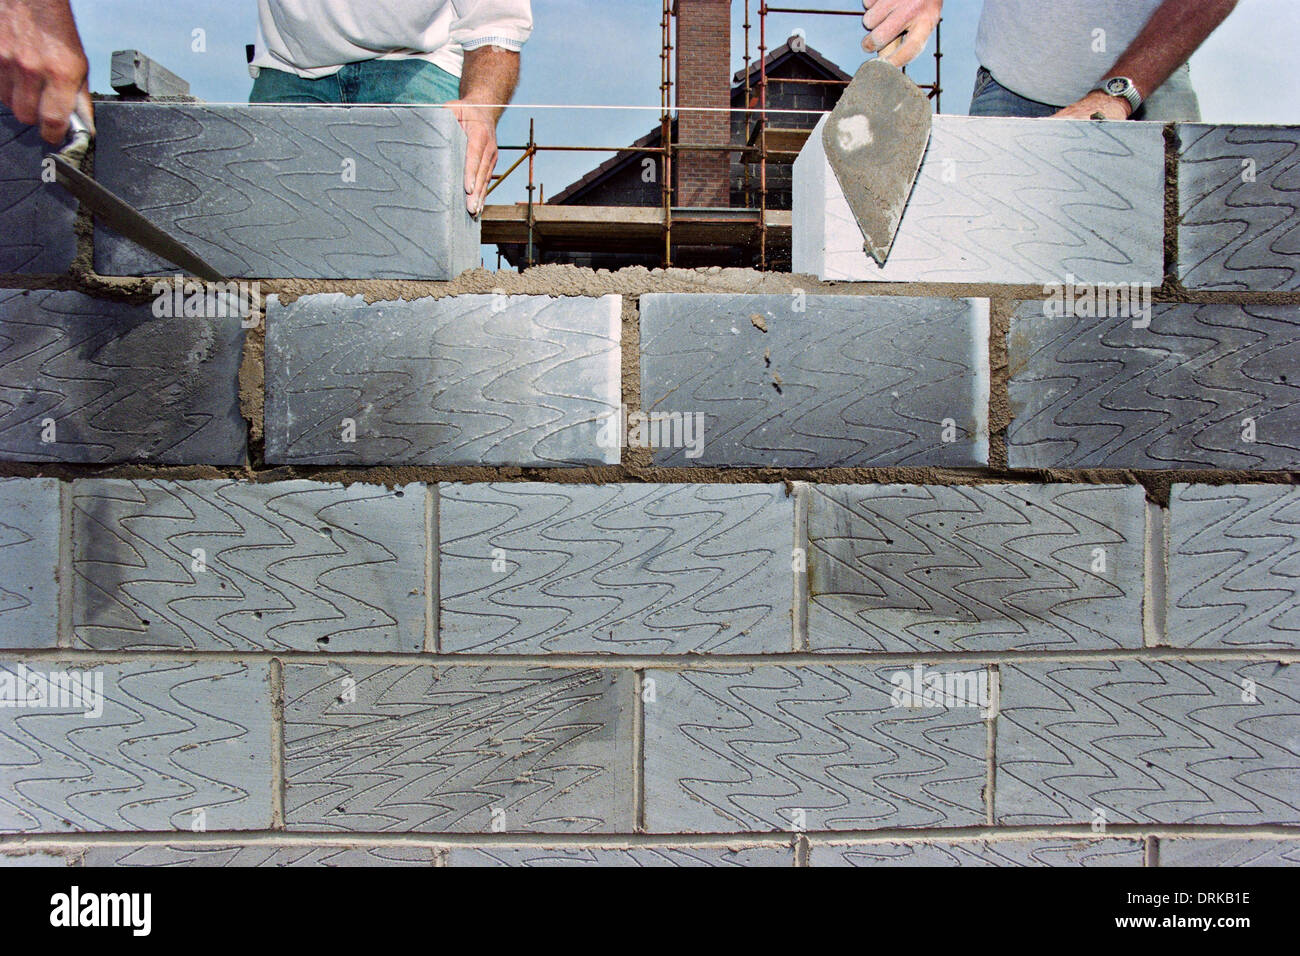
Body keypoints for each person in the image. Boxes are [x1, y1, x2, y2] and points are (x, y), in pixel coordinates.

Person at [0, 0, 530, 214]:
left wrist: (479, 108)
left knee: (413, 250)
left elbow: (496, 31)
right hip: (291, 67)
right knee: (266, 249)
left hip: (418, 65)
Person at [860, 0, 1238, 123]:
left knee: (1172, 283)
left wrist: (1119, 93)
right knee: (991, 267)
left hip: (1150, 88)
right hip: (1010, 88)